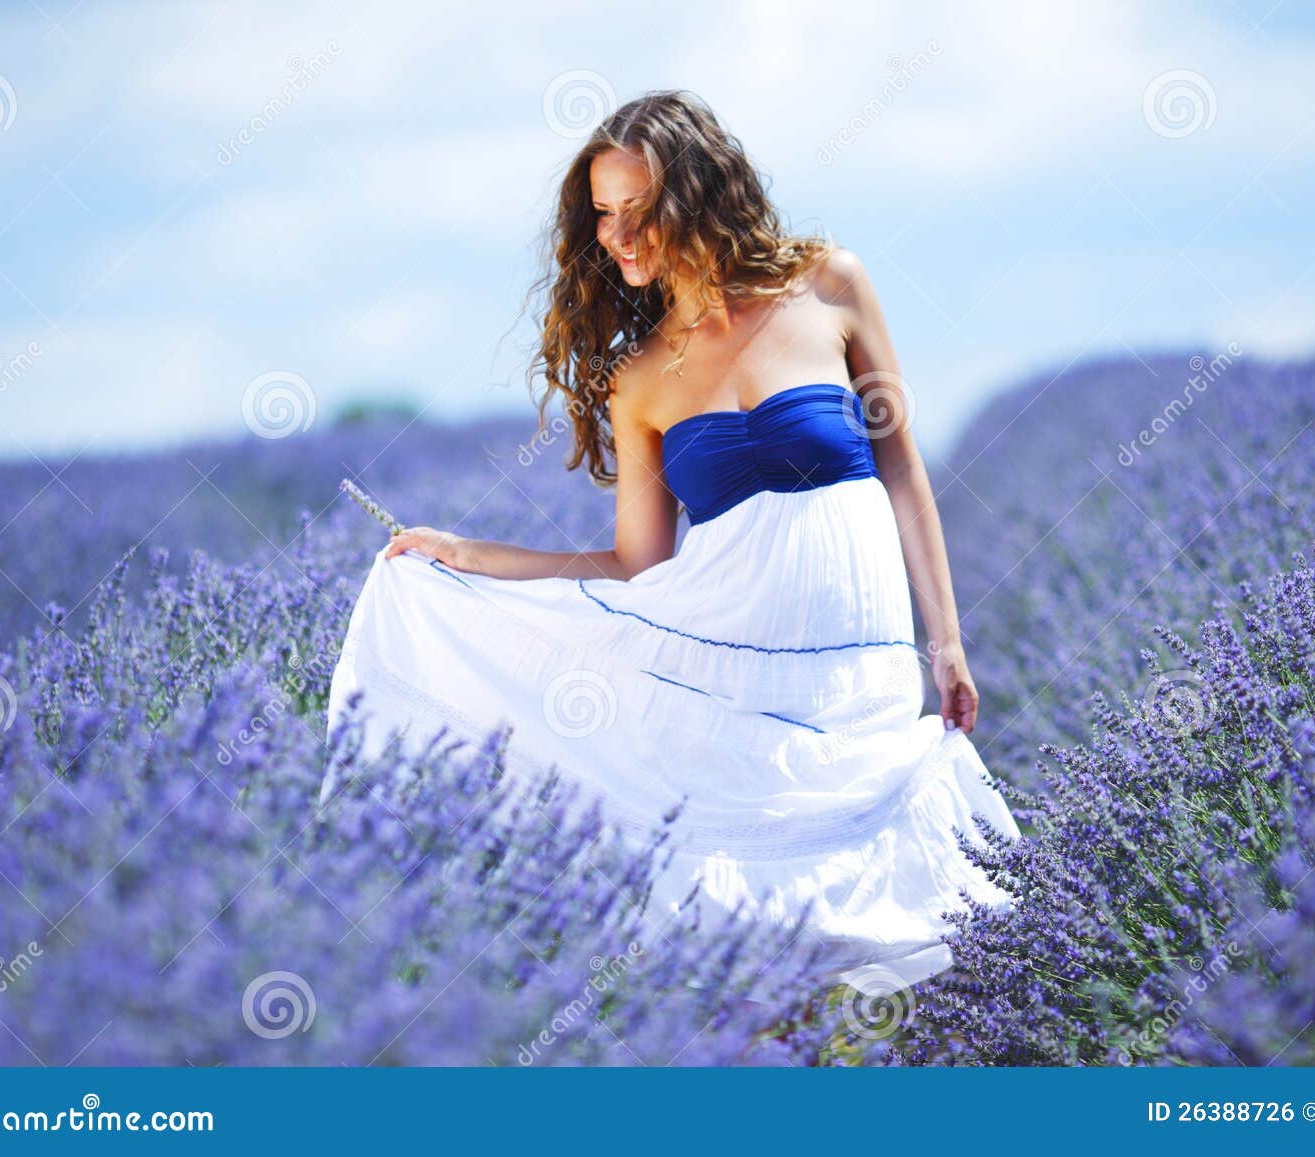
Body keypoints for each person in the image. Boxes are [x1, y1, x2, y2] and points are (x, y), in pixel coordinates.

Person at [322, 89, 1018, 995]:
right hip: (736, 668)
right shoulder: (642, 378)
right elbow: (636, 565)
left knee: (936, 927)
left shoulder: (828, 286)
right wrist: (469, 554)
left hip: (859, 665)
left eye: (636, 211)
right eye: (603, 216)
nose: (616, 236)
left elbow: (904, 471)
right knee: (767, 950)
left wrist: (948, 639)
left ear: (696, 193)